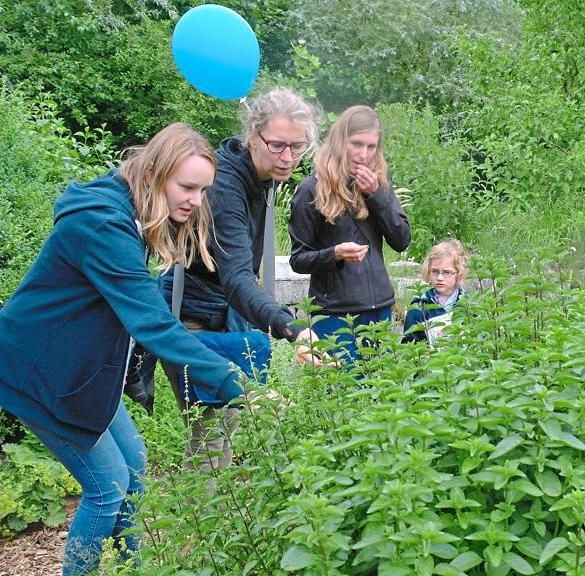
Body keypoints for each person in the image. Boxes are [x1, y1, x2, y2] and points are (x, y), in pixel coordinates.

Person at [0, 123, 246, 576]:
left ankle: (136, 567)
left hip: (82, 368)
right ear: (154, 172)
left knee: (133, 465)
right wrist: (239, 384)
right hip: (41, 372)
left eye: (203, 189)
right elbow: (151, 322)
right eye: (186, 186)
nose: (195, 201)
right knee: (107, 489)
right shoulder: (103, 225)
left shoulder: (125, 209)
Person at [159, 87, 322, 471]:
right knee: (211, 435)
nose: (288, 158)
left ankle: (215, 522)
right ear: (252, 136)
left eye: (298, 147)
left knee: (226, 425)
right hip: (193, 311)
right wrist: (291, 326)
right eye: (278, 145)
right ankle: (200, 526)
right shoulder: (224, 187)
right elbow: (235, 275)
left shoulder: (263, 177)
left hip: (227, 312)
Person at [289, 105, 411, 364]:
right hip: (334, 314)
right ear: (340, 140)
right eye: (357, 144)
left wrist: (376, 196)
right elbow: (298, 260)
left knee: (381, 392)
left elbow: (402, 240)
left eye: (371, 147)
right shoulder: (310, 189)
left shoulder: (379, 185)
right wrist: (334, 254)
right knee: (341, 391)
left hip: (379, 308)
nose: (364, 154)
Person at [403, 239, 468, 345]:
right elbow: (408, 345)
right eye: (435, 271)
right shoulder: (419, 306)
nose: (440, 277)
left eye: (447, 272)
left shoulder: (469, 304)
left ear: (458, 273)